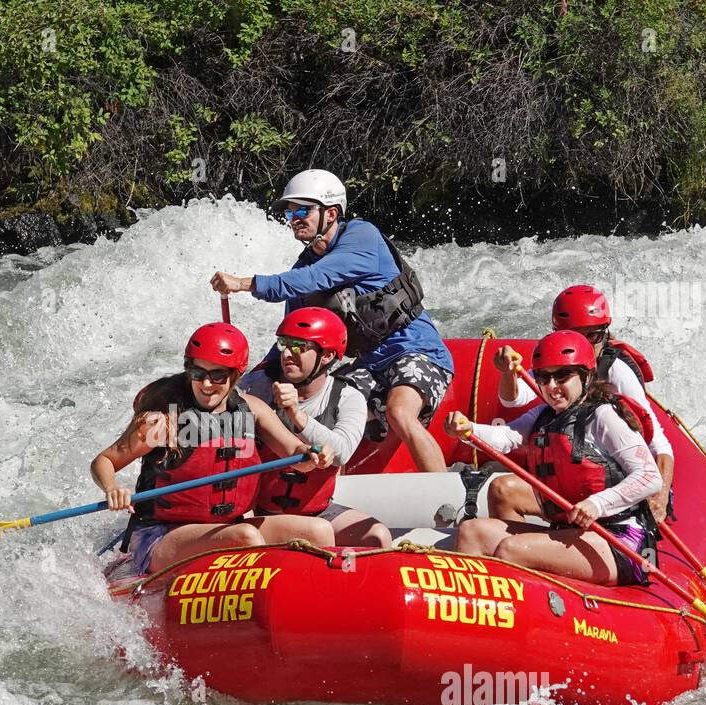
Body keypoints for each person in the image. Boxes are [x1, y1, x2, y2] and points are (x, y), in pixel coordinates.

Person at [210, 169, 453, 473]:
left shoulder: (363, 237)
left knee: (399, 411)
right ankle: (319, 490)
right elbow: (291, 337)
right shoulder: (303, 269)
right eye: (290, 211)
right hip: (369, 364)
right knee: (324, 410)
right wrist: (247, 383)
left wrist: (244, 283)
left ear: (332, 213)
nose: (294, 218)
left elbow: (316, 277)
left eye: (303, 210)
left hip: (417, 351)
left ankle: (445, 500)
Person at [92, 322, 336, 575]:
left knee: (318, 531)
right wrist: (112, 488)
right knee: (244, 536)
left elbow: (295, 453)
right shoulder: (163, 420)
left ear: (236, 374)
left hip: (226, 527)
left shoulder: (252, 409)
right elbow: (104, 460)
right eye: (198, 374)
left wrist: (314, 455)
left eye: (217, 375)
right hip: (162, 535)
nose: (206, 384)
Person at [444, 331, 662, 586]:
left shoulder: (604, 417)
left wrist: (597, 504)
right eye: (544, 377)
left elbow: (649, 476)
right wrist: (468, 429)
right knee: (471, 532)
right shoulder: (544, 415)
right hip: (569, 532)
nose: (552, 386)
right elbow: (506, 436)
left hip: (619, 540)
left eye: (562, 375)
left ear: (586, 375)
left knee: (512, 549)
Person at [490, 285, 674, 522]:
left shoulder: (616, 371)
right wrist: (507, 373)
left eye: (593, 336)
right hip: (573, 474)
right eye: (575, 335)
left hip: (611, 475)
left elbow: (656, 442)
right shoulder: (555, 363)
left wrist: (659, 496)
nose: (585, 344)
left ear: (605, 332)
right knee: (503, 491)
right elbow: (512, 399)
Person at [238, 307, 391, 547]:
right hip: (257, 510)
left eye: (298, 346)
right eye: (283, 344)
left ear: (327, 356)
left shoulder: (348, 397)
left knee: (377, 536)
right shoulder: (255, 387)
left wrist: (297, 415)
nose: (287, 353)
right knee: (318, 532)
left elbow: (341, 452)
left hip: (317, 510)